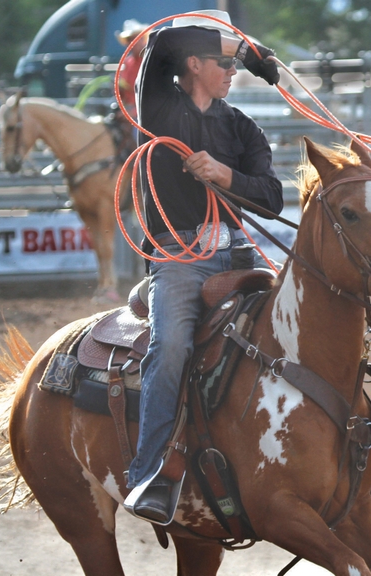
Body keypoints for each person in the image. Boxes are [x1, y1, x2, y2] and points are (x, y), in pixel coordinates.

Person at [122, 10, 283, 525]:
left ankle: (326, 456)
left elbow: (273, 198)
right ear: (192, 64)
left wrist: (224, 174)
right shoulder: (159, 105)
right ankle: (148, 474)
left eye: (236, 65)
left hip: (237, 252)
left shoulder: (241, 126)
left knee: (302, 322)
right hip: (179, 258)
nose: (232, 72)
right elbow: (161, 42)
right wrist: (249, 49)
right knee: (170, 347)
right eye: (223, 63)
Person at [115, 19, 149, 118]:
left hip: (144, 113)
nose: (132, 42)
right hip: (128, 110)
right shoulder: (127, 63)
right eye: (129, 39)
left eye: (135, 38)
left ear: (143, 39)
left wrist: (133, 112)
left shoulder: (150, 61)